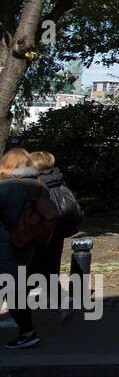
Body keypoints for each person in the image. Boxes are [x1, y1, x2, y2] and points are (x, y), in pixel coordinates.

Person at [0, 149, 46, 348]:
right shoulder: (39, 185)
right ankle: (27, 332)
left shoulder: (6, 187)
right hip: (28, 242)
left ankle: (28, 333)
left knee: (12, 290)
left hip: (5, 243)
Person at [27, 151, 83, 303]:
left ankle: (18, 299)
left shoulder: (32, 181)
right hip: (58, 224)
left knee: (31, 262)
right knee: (52, 260)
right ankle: (57, 296)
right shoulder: (58, 177)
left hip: (37, 226)